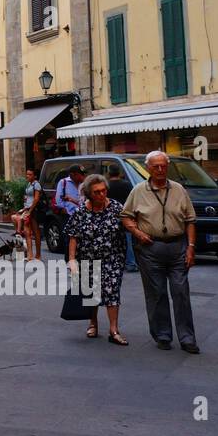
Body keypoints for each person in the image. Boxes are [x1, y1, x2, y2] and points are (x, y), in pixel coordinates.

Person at [121, 151, 199, 353]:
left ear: (168, 166)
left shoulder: (179, 189)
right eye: (155, 166)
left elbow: (190, 220)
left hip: (178, 246)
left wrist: (191, 247)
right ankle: (162, 335)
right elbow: (126, 217)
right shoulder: (138, 191)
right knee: (156, 293)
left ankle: (187, 338)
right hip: (150, 248)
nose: (160, 169)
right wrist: (138, 233)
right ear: (148, 168)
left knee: (181, 292)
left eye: (163, 166)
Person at [66, 173, 128, 345]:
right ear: (88, 194)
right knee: (92, 292)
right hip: (87, 257)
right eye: (97, 192)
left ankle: (114, 330)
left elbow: (129, 224)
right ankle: (93, 323)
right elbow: (73, 236)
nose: (102, 195)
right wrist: (72, 260)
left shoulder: (116, 207)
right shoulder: (81, 211)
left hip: (113, 257)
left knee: (112, 290)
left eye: (103, 191)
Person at [105, 166, 137, 273]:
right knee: (127, 240)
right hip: (125, 215)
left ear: (109, 174)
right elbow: (132, 199)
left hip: (110, 216)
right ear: (119, 174)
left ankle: (113, 263)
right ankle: (131, 263)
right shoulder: (126, 184)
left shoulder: (107, 185)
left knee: (111, 240)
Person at [13, 168, 43, 261]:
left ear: (35, 176)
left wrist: (30, 210)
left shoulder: (36, 184)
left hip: (34, 211)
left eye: (30, 174)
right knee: (27, 233)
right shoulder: (29, 184)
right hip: (27, 209)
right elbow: (28, 198)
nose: (27, 176)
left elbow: (36, 199)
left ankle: (38, 255)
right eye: (27, 174)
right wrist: (24, 209)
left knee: (36, 232)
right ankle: (30, 255)